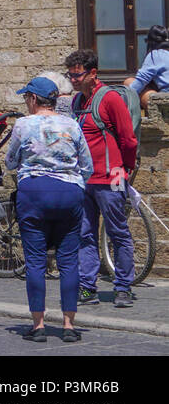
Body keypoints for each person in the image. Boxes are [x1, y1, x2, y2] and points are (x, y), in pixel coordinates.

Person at [7, 76, 92, 342]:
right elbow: (86, 165)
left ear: (33, 99)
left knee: (35, 261)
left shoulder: (23, 124)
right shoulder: (72, 124)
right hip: (68, 192)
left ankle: (39, 324)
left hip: (34, 192)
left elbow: (10, 161)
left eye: (26, 98)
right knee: (68, 262)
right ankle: (68, 325)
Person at [65, 48, 138, 309]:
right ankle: (87, 287)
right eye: (70, 75)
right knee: (84, 234)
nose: (73, 80)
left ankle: (123, 287)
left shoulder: (109, 99)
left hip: (111, 177)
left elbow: (128, 139)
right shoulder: (76, 102)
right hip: (84, 180)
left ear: (93, 73)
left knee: (118, 233)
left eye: (77, 75)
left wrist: (126, 167)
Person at [126, 25, 169, 110]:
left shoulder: (155, 54)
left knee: (128, 81)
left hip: (166, 100)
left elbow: (141, 81)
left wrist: (121, 99)